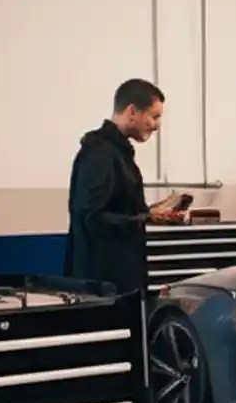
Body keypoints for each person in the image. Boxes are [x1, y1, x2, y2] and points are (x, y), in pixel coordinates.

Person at [64, 79, 165, 295]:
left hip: (120, 283)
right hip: (104, 287)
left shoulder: (119, 154)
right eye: (154, 116)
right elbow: (92, 217)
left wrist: (150, 213)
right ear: (132, 111)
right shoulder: (100, 155)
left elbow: (119, 208)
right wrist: (141, 219)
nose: (157, 125)